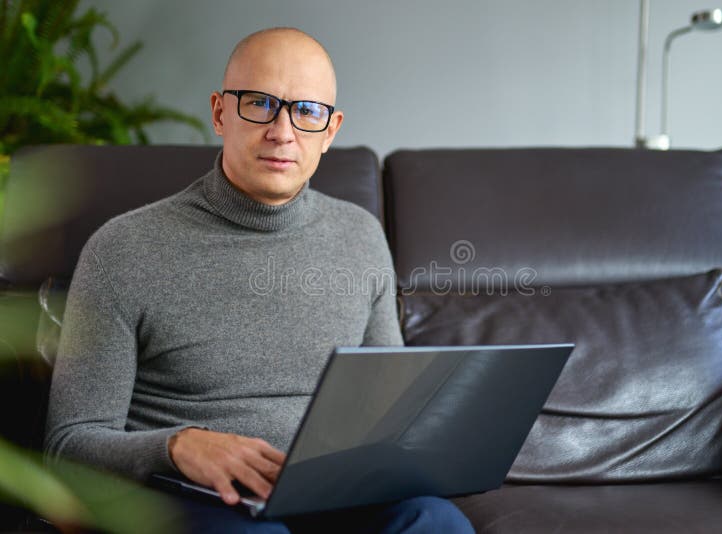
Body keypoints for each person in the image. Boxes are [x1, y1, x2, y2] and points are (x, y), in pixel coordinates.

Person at [44, 27, 474, 533]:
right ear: (220, 112)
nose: (282, 131)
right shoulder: (123, 249)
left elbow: (392, 415)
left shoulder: (360, 235)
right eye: (260, 103)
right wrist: (177, 446)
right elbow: (68, 444)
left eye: (306, 111)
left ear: (330, 131)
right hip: (199, 499)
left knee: (435, 520)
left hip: (333, 493)